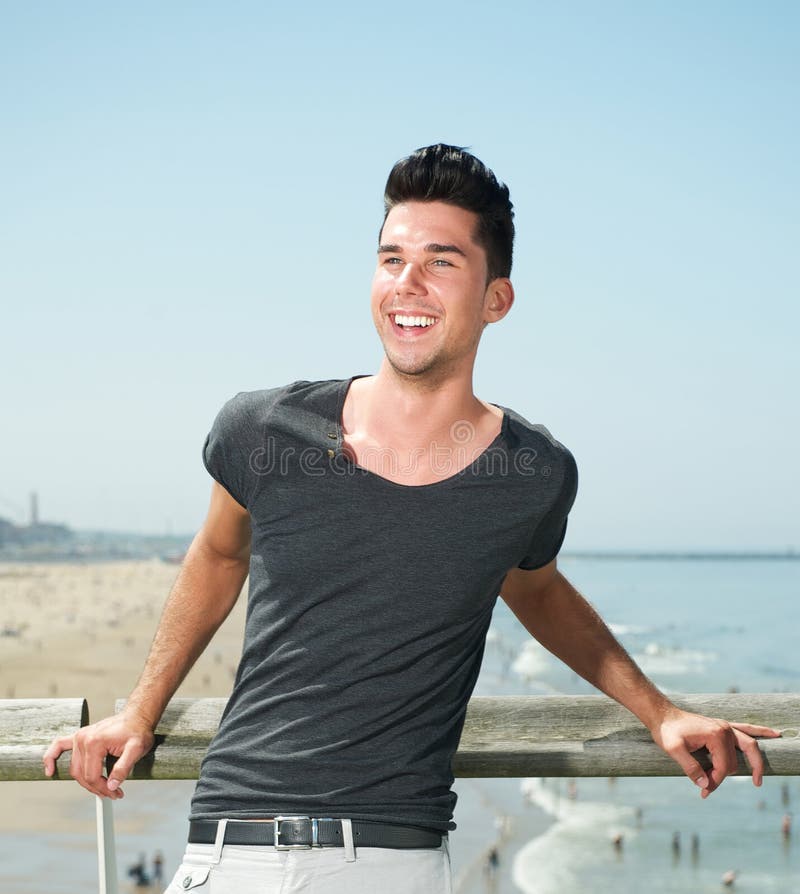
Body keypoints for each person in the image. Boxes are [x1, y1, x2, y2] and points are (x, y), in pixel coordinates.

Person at [43, 144, 779, 893]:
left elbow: (537, 589)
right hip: (232, 849)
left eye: (441, 262)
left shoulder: (531, 472)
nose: (408, 283)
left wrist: (659, 713)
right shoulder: (263, 429)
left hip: (394, 860)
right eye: (391, 259)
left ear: (496, 299)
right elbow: (218, 555)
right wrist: (139, 712)